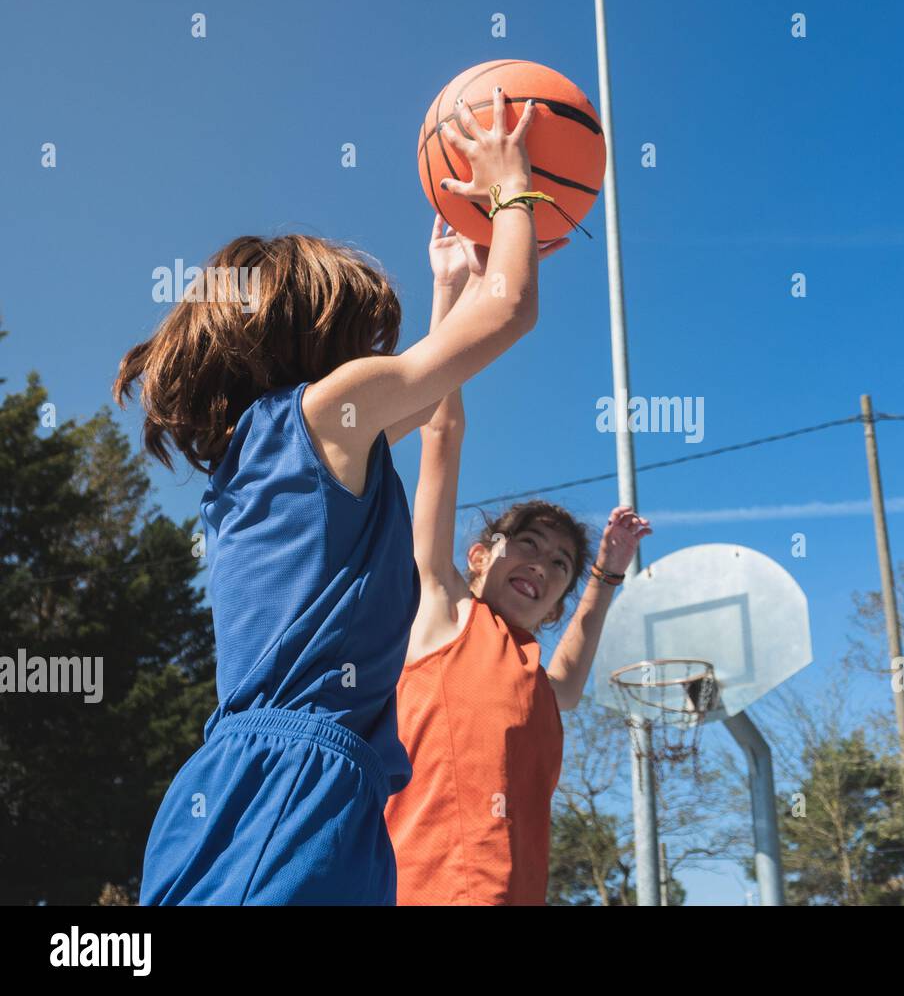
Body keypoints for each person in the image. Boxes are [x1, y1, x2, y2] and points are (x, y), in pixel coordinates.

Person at [123, 89, 556, 904]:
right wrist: (511, 190)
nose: (377, 353)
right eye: (366, 336)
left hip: (292, 782)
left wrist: (448, 286)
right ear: (320, 332)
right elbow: (514, 311)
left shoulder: (274, 454)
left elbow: (430, 396)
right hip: (291, 780)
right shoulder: (327, 412)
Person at [383, 222, 651, 905]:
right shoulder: (443, 611)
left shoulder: (539, 683)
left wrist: (606, 574)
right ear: (479, 556)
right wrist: (449, 285)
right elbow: (441, 432)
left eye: (561, 563)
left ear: (556, 604)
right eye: (525, 542)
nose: (543, 561)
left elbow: (572, 668)